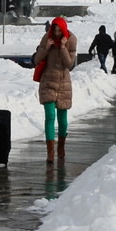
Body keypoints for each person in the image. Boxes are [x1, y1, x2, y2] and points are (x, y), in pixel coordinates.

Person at [32, 16, 78, 157]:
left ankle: (61, 146)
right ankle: (50, 151)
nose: (57, 33)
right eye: (55, 30)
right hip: (47, 82)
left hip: (63, 83)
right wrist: (46, 48)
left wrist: (63, 47)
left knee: (63, 120)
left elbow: (69, 64)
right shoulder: (47, 38)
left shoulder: (71, 40)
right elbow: (36, 60)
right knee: (50, 115)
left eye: (59, 30)